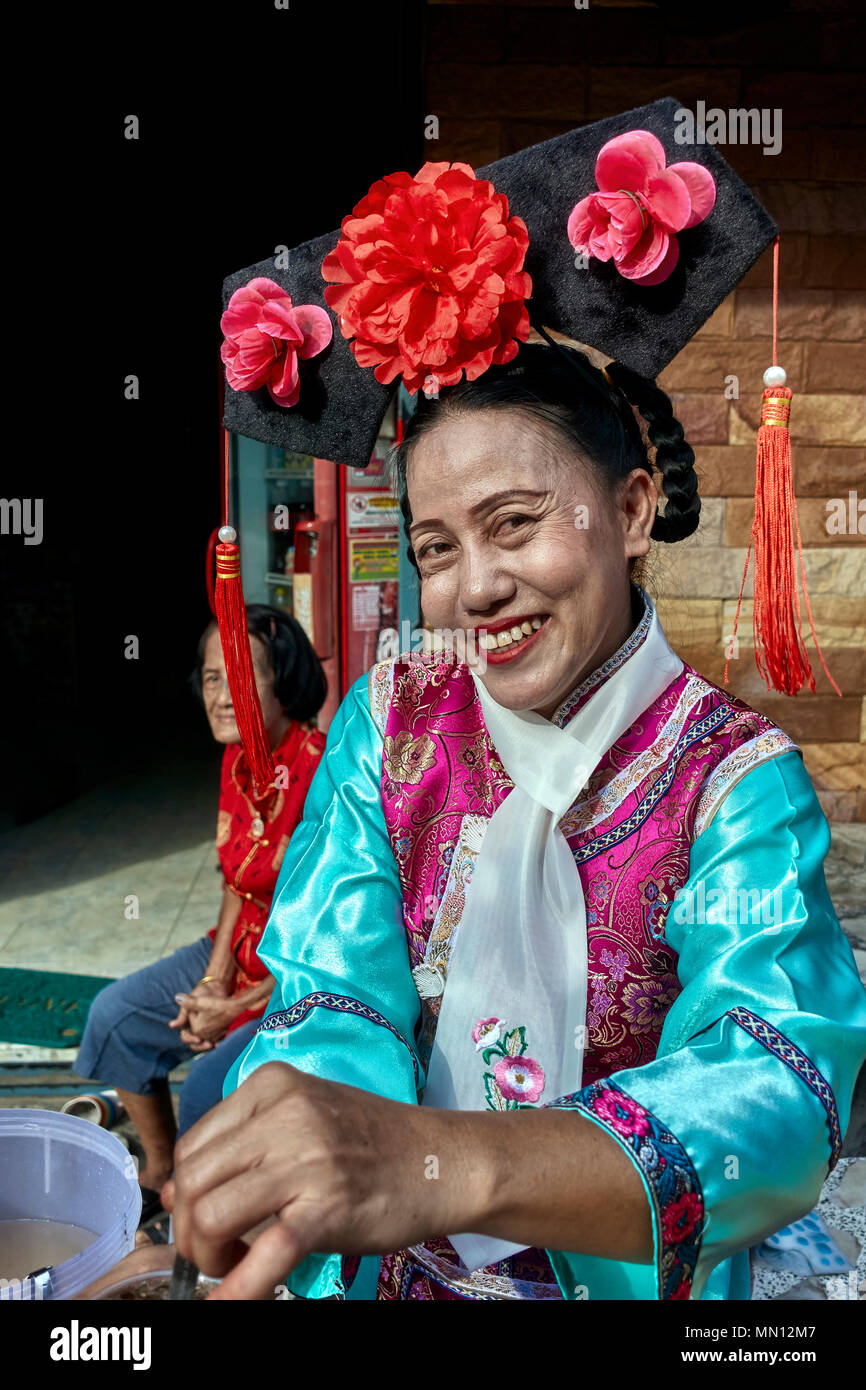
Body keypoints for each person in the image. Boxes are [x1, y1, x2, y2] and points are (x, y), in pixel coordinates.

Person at [166, 100, 866, 1300]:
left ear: (632, 511)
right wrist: (310, 1149)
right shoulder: (393, 723)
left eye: (514, 524)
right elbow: (334, 992)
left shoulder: (732, 783)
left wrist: (438, 1163)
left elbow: (773, 1089)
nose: (474, 587)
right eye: (433, 548)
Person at [76, 604, 326, 1227]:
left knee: (210, 1083)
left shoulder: (323, 772)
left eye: (239, 678)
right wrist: (214, 981)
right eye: (212, 678)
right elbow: (238, 882)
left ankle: (217, 1228)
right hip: (237, 953)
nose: (220, 696)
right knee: (116, 1016)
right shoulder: (237, 759)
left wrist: (238, 1009)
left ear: (285, 682)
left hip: (302, 977)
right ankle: (163, 1179)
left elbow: (332, 937)